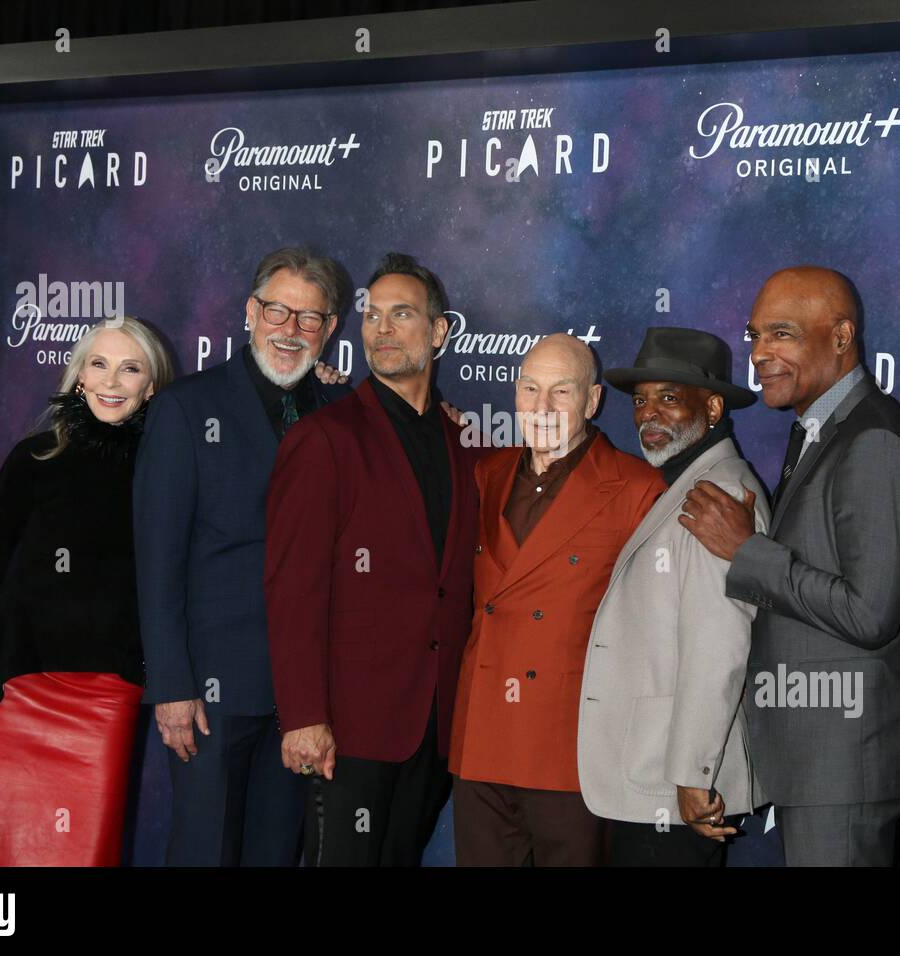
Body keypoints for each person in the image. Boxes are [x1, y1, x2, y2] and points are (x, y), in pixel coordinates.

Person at [680, 266, 900, 866]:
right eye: (755, 335)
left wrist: (745, 550)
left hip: (845, 761)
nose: (759, 354)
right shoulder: (819, 430)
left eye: (781, 334)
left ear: (840, 337)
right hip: (822, 755)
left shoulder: (874, 442)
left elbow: (869, 613)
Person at [133, 247, 352, 866]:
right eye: (278, 311)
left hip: (302, 696)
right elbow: (158, 563)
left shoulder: (341, 412)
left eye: (309, 319)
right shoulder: (185, 409)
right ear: (250, 313)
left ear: (331, 329)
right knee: (206, 852)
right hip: (209, 695)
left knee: (275, 854)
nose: (291, 330)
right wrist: (172, 684)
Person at [265, 252, 484, 866]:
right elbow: (293, 588)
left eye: (402, 314)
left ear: (439, 333)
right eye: (372, 314)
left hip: (436, 727)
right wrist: (304, 715)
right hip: (349, 729)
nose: (380, 329)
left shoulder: (461, 445)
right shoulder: (323, 440)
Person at [0, 315, 174, 866]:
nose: (112, 381)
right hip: (9, 687)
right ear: (78, 377)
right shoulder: (34, 458)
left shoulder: (164, 470)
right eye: (99, 364)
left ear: (150, 387)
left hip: (102, 694)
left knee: (82, 851)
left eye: (130, 369)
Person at [448, 333, 666, 866]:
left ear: (592, 402)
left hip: (569, 748)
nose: (541, 408)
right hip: (481, 742)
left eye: (561, 392)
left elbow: (657, 631)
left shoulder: (637, 488)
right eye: (529, 389)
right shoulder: (488, 473)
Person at [577, 327, 769, 866]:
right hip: (653, 777)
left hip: (675, 785)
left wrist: (693, 775)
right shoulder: (685, 483)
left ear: (711, 407)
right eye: (640, 400)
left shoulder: (719, 495)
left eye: (668, 398)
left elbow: (719, 645)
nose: (647, 414)